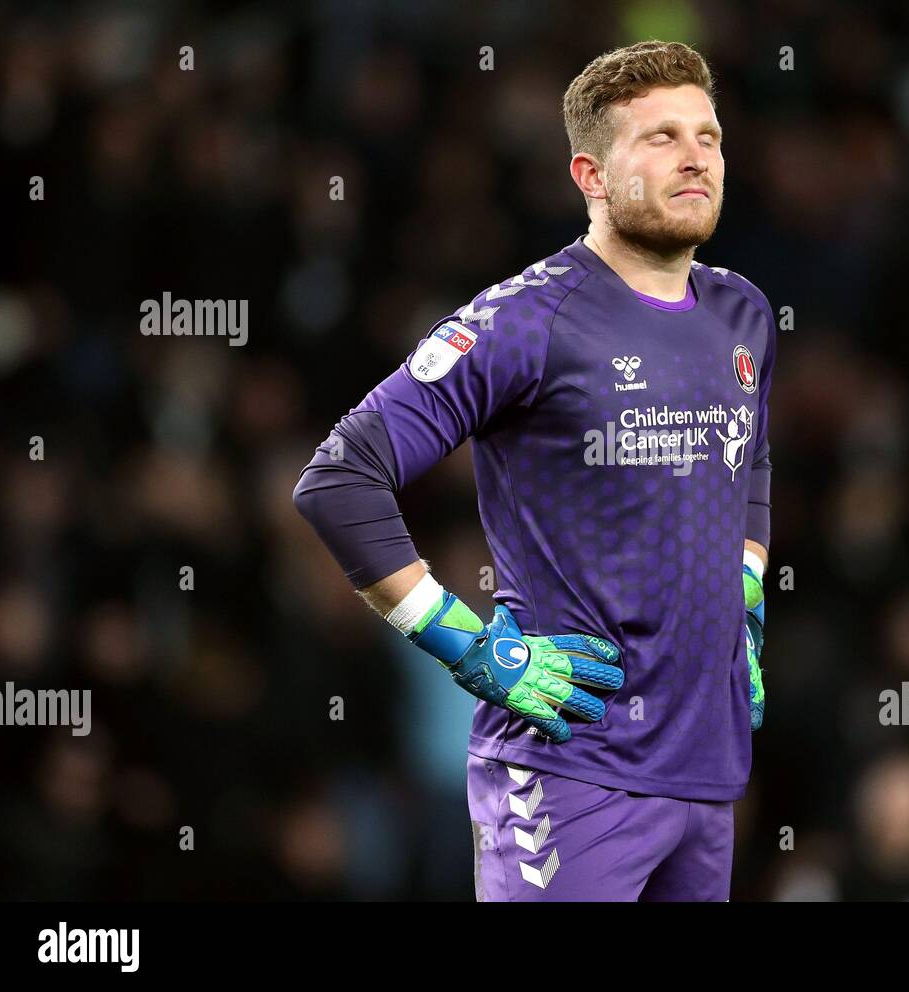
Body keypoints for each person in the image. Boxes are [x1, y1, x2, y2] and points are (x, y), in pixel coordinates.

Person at [293, 40, 775, 901]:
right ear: (590, 174)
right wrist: (460, 641)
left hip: (707, 775)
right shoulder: (526, 321)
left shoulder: (743, 312)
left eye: (708, 135)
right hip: (568, 770)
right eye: (660, 138)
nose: (696, 155)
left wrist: (745, 584)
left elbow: (751, 455)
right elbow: (340, 475)